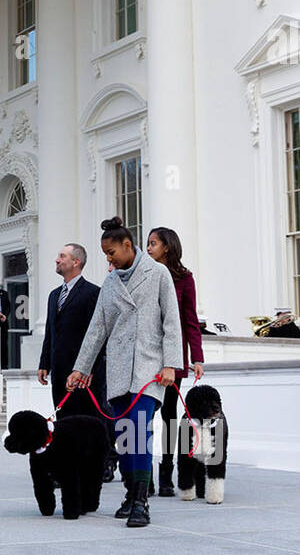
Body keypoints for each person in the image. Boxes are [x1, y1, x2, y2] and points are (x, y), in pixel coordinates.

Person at [66, 217, 182, 528]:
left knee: (140, 431)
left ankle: (141, 502)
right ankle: (131, 493)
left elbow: (172, 321)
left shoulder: (158, 274)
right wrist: (81, 368)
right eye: (104, 253)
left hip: (149, 367)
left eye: (111, 252)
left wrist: (171, 363)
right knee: (124, 436)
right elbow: (97, 329)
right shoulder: (110, 283)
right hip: (117, 368)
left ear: (127, 245)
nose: (108, 258)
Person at [37, 244, 115, 482]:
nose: (57, 260)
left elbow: (99, 333)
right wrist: (44, 363)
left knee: (91, 420)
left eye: (62, 256)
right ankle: (66, 468)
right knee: (64, 422)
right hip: (60, 371)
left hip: (85, 373)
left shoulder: (93, 293)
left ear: (76, 262)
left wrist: (89, 367)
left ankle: (103, 464)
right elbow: (51, 332)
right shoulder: (53, 296)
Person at [146, 227, 204, 497]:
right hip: (145, 354)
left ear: (167, 247)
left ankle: (166, 474)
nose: (148, 248)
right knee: (141, 415)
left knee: (169, 416)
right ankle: (142, 475)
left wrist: (197, 358)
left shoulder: (184, 278)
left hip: (172, 356)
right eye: (147, 244)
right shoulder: (142, 274)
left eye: (153, 243)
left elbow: (190, 320)